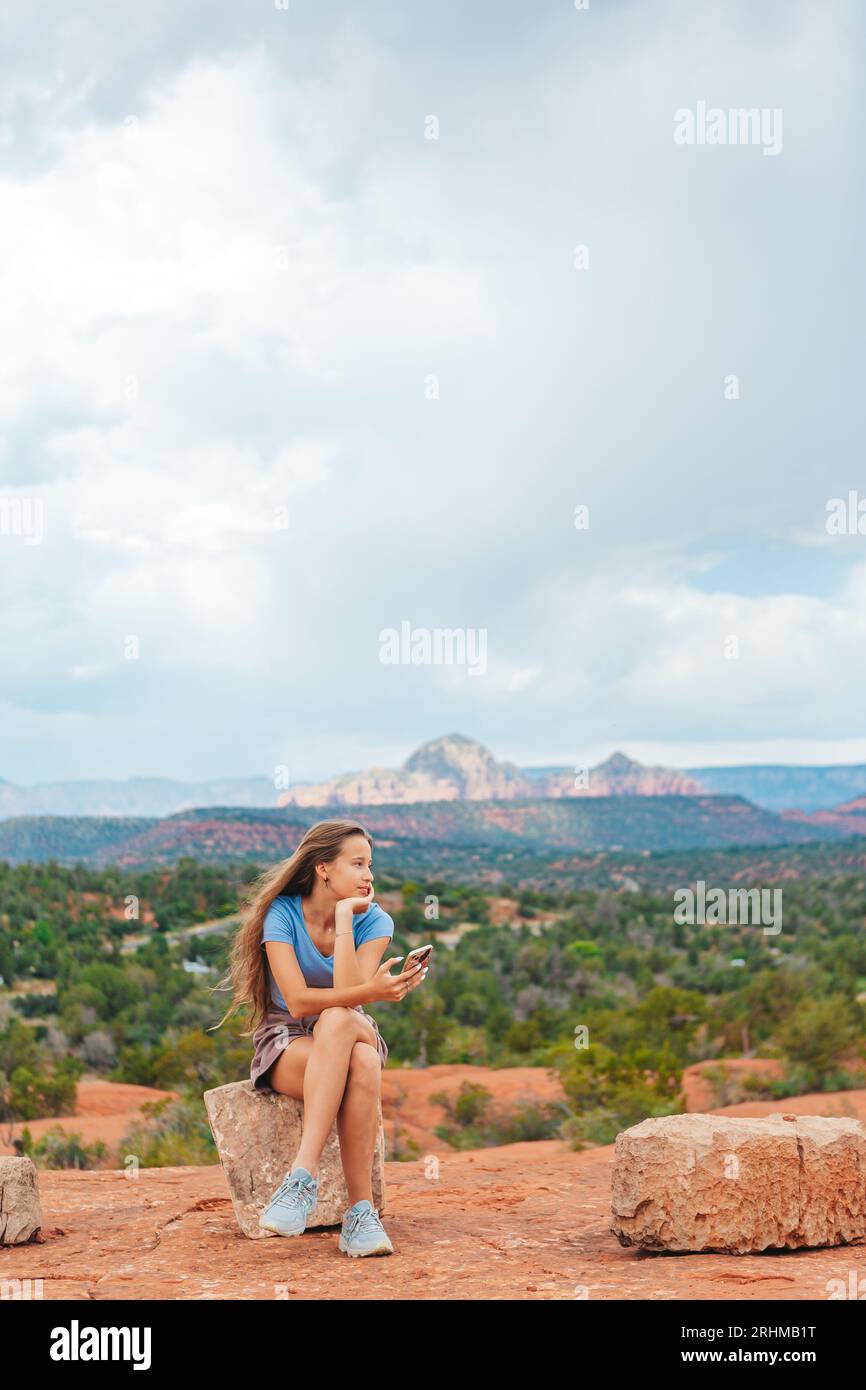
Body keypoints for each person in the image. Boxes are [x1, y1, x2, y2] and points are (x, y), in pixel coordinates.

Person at [210, 818, 427, 1256]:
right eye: (358, 864)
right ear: (324, 868)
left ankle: (300, 1181)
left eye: (371, 865)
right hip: (288, 1039)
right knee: (358, 1056)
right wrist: (376, 991)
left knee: (340, 1022)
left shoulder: (374, 920)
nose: (369, 876)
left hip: (352, 1027)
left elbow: (346, 1001)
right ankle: (359, 1213)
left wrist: (346, 918)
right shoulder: (282, 914)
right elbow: (297, 1002)